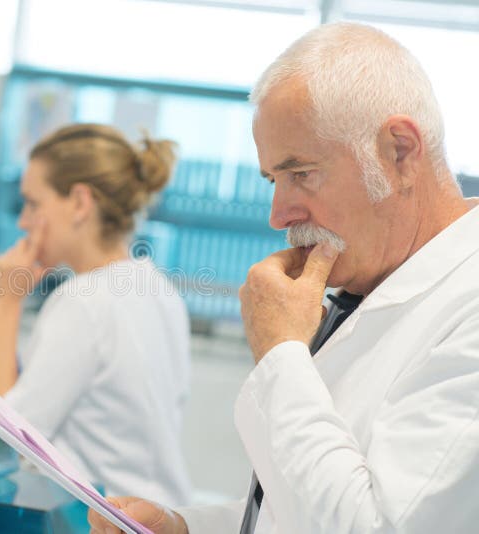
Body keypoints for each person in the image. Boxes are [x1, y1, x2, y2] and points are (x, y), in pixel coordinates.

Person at [89, 22, 479, 534]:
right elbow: (306, 503)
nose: (278, 214)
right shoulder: (368, 289)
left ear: (400, 152)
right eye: (274, 179)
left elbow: (378, 526)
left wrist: (280, 355)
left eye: (301, 173)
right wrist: (188, 528)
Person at [0, 123, 193, 506]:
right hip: (161, 517)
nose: (23, 222)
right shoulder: (157, 288)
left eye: (33, 204)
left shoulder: (83, 301)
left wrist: (4, 307)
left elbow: (4, 444)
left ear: (80, 202)